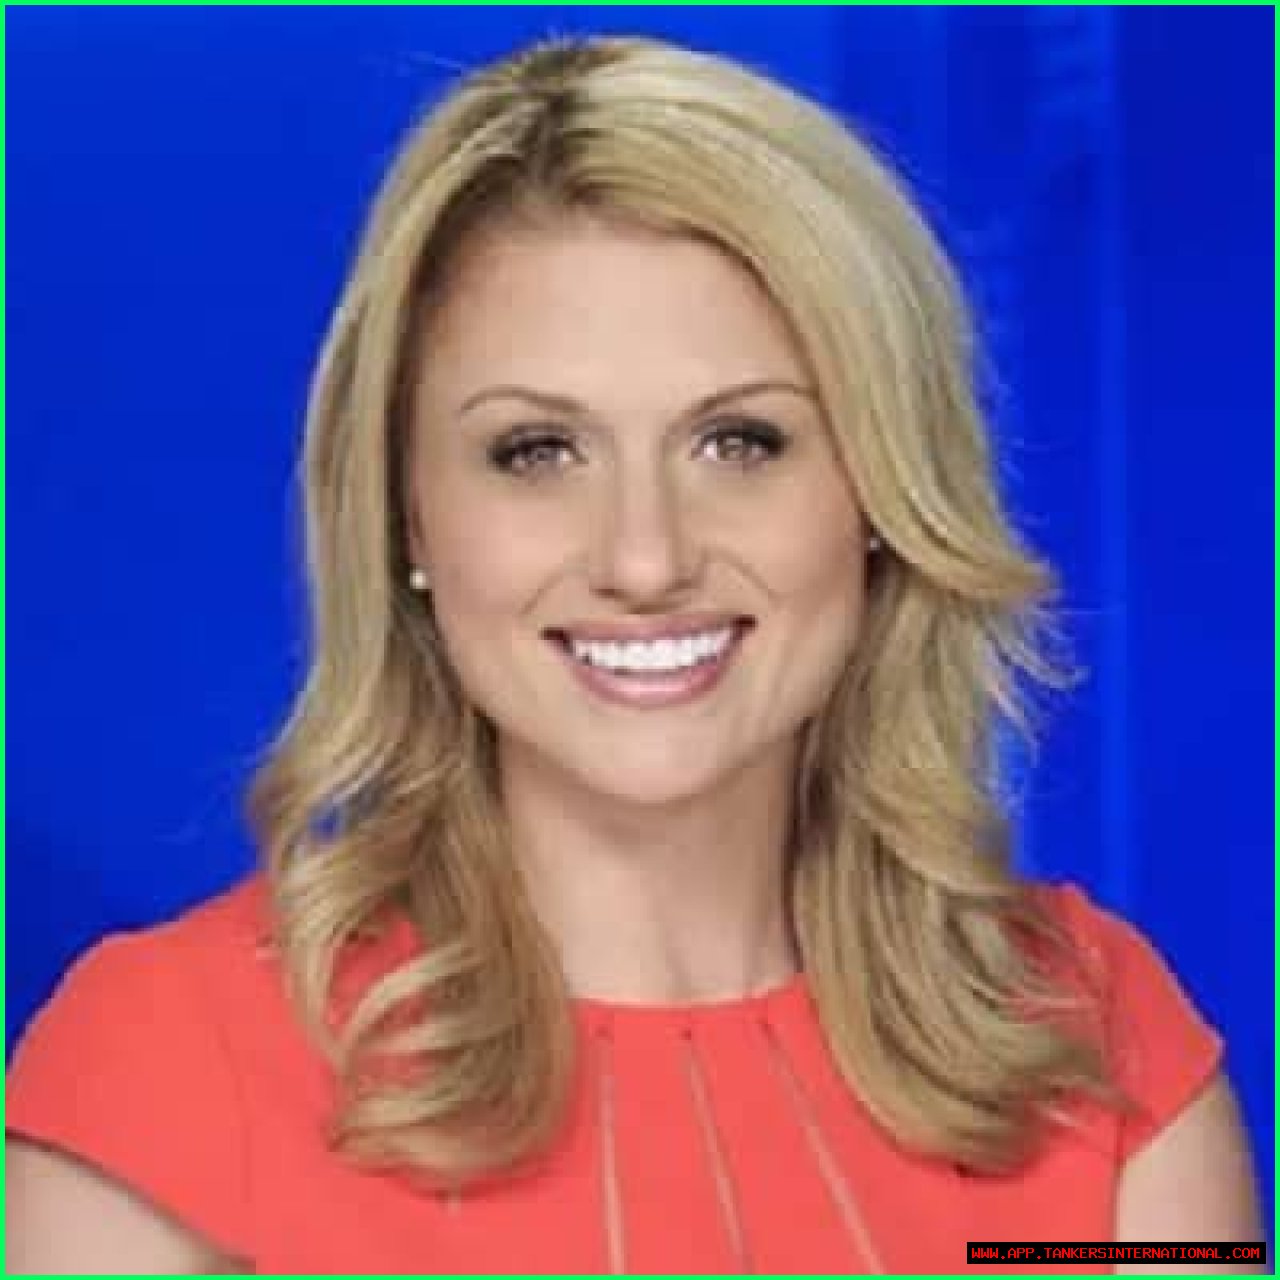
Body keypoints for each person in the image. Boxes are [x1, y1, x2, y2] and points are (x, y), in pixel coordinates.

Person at [6, 33, 1265, 1276]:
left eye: (739, 442)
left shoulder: (1100, 1049)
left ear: (878, 491)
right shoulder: (158, 1078)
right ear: (407, 516)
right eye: (536, 451)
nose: (645, 556)